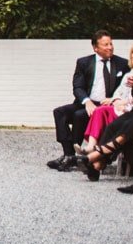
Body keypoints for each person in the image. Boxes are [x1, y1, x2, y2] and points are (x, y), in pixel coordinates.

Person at [49, 32, 128, 170]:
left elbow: (126, 88)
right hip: (86, 102)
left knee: (79, 115)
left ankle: (72, 158)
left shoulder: (122, 64)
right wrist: (87, 101)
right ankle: (68, 154)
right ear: (95, 48)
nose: (110, 47)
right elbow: (78, 87)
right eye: (105, 44)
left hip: (107, 106)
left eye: (111, 44)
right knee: (59, 112)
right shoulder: (83, 62)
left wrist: (114, 99)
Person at [80, 42, 133, 156]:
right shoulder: (130, 73)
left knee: (100, 111)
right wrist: (115, 100)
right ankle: (91, 146)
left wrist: (122, 102)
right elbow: (119, 91)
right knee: (99, 110)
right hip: (120, 106)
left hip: (132, 112)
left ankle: (96, 151)